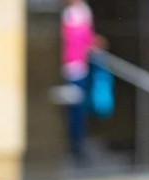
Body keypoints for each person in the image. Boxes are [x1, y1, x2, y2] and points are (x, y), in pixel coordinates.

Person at [61, 0, 102, 161]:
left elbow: (87, 40)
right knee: (72, 109)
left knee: (77, 109)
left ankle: (77, 144)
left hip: (77, 67)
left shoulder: (82, 11)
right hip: (69, 66)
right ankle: (74, 143)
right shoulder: (68, 13)